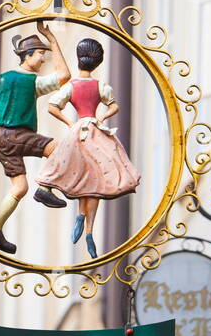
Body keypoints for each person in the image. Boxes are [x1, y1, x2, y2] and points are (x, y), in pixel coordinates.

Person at [33, 36, 140, 260]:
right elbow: (115, 106)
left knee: (85, 176)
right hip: (95, 130)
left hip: (79, 131)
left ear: (79, 60)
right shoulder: (101, 86)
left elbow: (53, 107)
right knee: (96, 178)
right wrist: (100, 117)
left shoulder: (72, 86)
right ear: (98, 61)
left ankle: (81, 219)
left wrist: (72, 123)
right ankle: (88, 228)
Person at [0, 20, 69, 253]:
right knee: (57, 148)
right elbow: (64, 76)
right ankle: (45, 188)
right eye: (40, 55)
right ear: (28, 56)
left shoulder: (1, 79)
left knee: (19, 187)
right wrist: (53, 41)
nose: (43, 60)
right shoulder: (32, 82)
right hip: (15, 134)